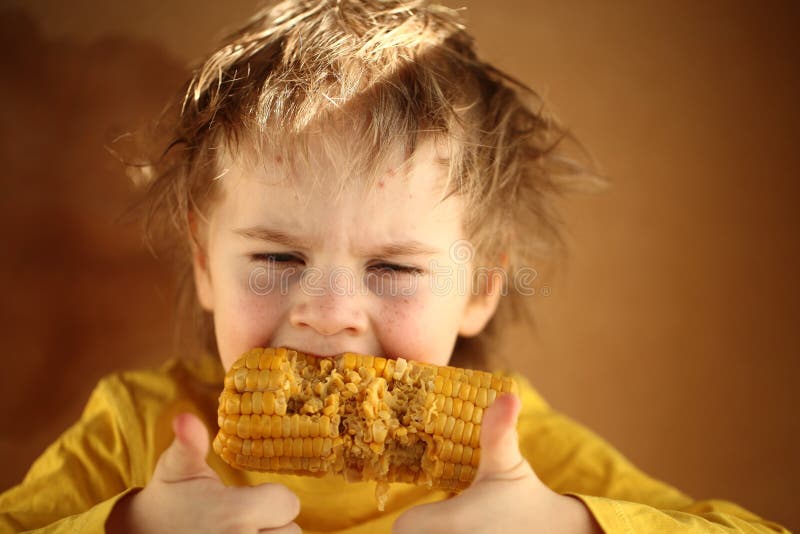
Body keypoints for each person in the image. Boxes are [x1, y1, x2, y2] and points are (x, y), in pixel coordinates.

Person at [0, 1, 791, 532]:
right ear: (205, 259)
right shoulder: (137, 428)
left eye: (394, 269)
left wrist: (568, 524)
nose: (329, 309)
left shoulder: (515, 450)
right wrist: (127, 525)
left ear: (481, 286)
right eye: (277, 256)